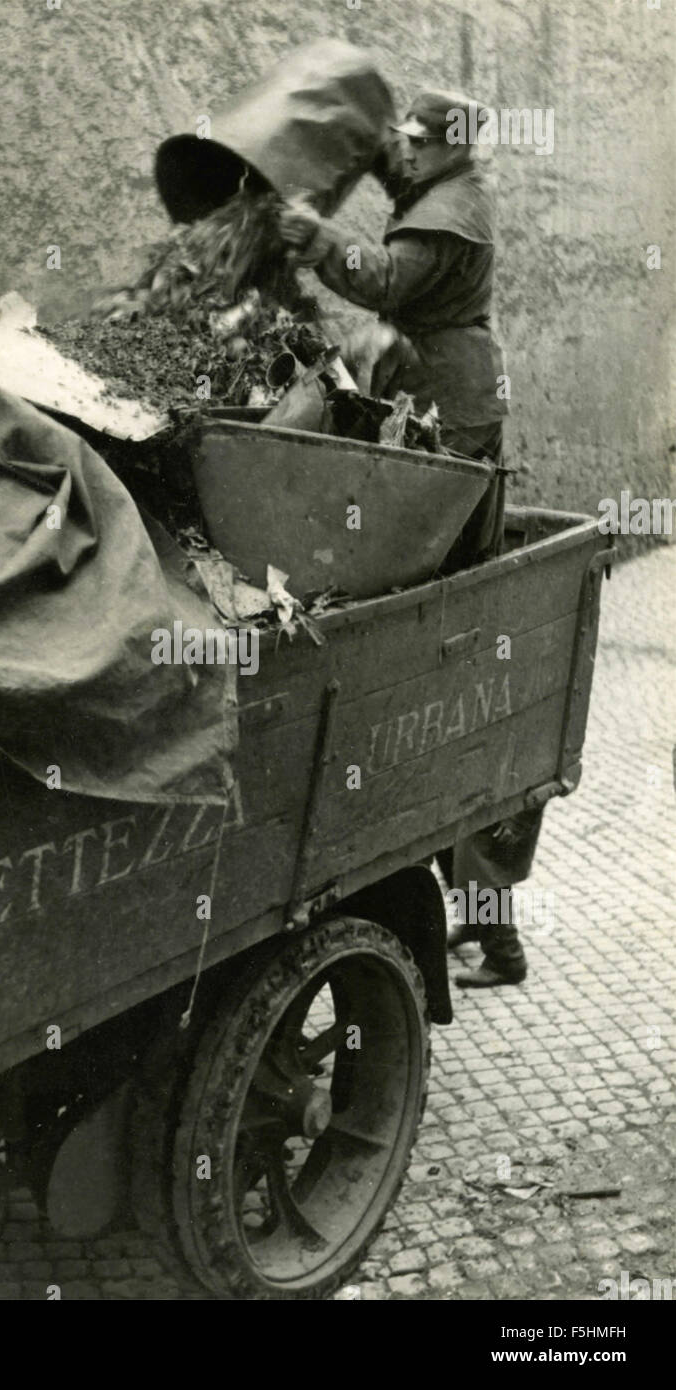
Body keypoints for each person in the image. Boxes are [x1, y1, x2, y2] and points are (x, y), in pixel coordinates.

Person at [278, 89, 539, 987]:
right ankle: (486, 925)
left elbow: (384, 282)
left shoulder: (448, 216)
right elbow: (394, 166)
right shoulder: (447, 181)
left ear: (446, 151)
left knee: (448, 613)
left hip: (454, 404)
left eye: (416, 144)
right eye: (404, 144)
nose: (405, 154)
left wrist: (312, 239)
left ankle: (496, 936)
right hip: (442, 386)